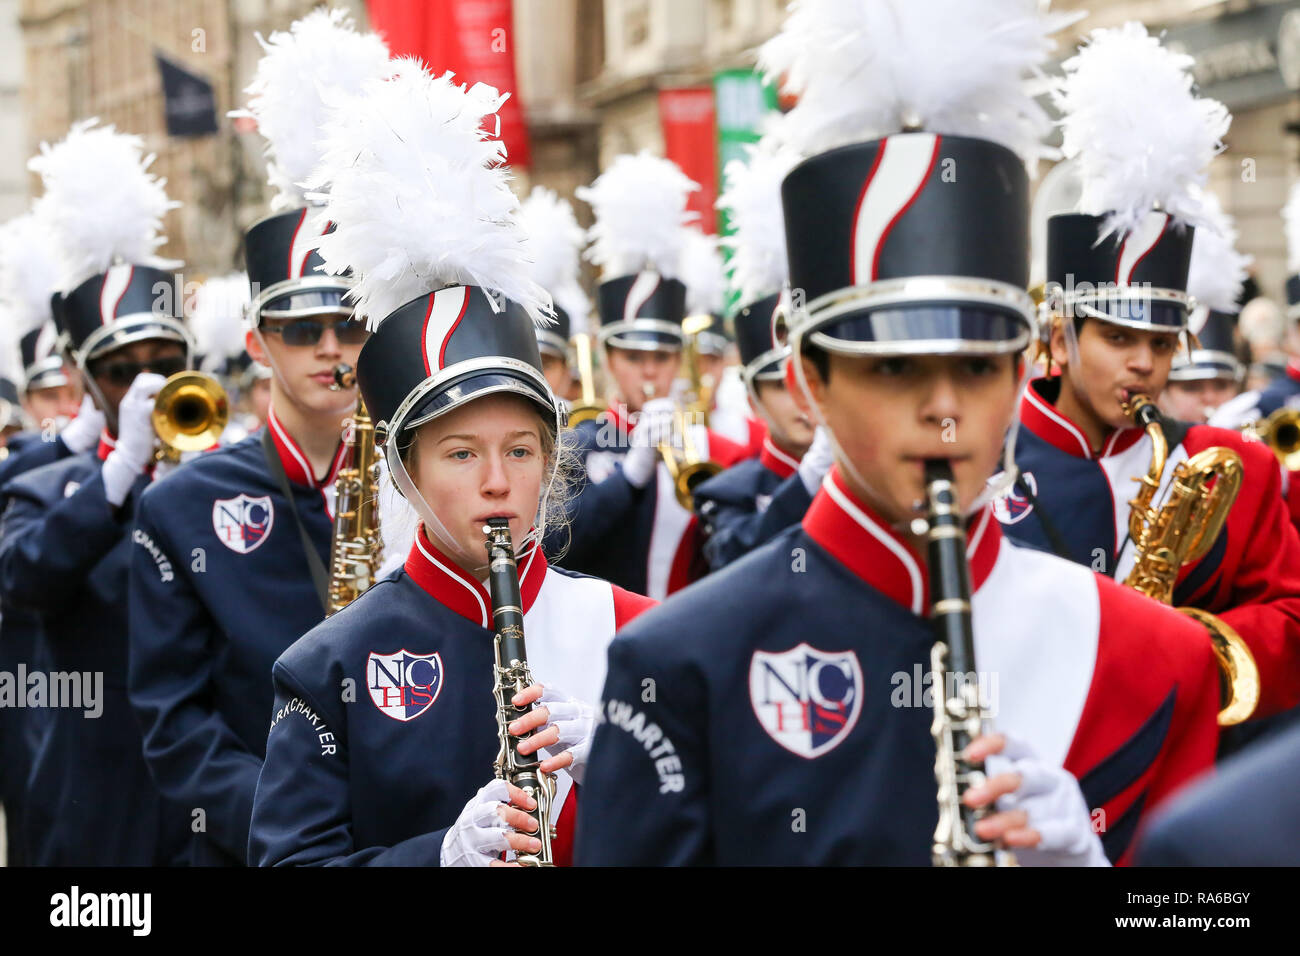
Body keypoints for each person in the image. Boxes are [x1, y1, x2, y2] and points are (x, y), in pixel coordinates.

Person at [577, 1, 1220, 866]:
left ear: (1027, 367)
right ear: (812, 379)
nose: (945, 408)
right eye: (893, 369)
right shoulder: (678, 665)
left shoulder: (1161, 656)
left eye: (980, 367)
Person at [247, 60, 653, 867]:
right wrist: (438, 858)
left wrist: (635, 778)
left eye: (521, 451)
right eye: (461, 454)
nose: (498, 482)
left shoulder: (640, 636)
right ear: (404, 472)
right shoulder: (329, 666)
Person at [127, 8, 390, 866]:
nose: (328, 350)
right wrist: (294, 820)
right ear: (256, 343)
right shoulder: (181, 505)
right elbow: (176, 728)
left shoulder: (430, 483)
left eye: (347, 327)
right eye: (299, 329)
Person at [1001, 24, 1300, 726]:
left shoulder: (1235, 468)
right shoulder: (984, 457)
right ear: (1060, 334)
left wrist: (1191, 648)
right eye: (1116, 337)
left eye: (1163, 343)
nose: (1144, 363)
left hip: (1185, 781)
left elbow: (1290, 615)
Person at [0, 120, 194, 865]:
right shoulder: (52, 485)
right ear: (87, 378)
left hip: (204, 802)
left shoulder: (226, 476)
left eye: (164, 360)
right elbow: (26, 579)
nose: (144, 380)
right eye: (120, 368)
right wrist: (119, 475)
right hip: (93, 799)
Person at [549, 153, 746, 600]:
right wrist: (630, 477)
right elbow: (554, 548)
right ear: (610, 358)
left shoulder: (713, 447)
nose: (650, 369)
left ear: (681, 359)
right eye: (634, 356)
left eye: (663, 355)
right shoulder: (579, 443)